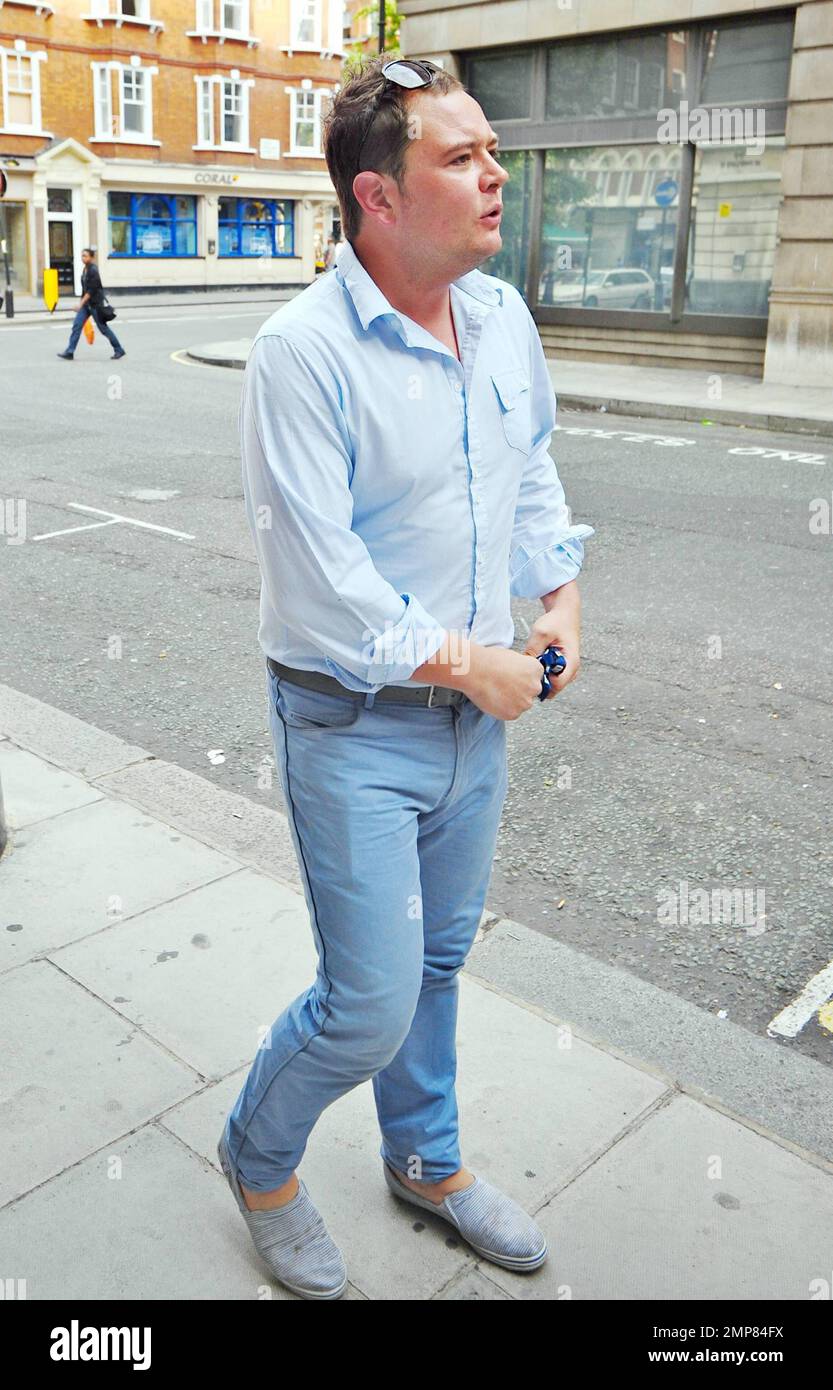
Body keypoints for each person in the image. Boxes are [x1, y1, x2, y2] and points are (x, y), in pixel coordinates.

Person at [218, 54, 595, 1300]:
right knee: (368, 1000)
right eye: (461, 156)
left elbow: (529, 468)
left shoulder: (498, 316)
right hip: (351, 719)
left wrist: (557, 594)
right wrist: (470, 661)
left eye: (491, 151)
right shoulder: (300, 353)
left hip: (473, 719)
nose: (496, 174)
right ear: (376, 198)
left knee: (436, 966)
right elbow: (323, 587)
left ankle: (422, 1158)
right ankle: (261, 1159)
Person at [56, 248, 126, 361]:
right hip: (86, 306)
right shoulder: (85, 269)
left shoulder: (93, 270)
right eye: (82, 255)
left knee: (103, 329)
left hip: (95, 305)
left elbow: (91, 291)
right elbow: (85, 290)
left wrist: (80, 304)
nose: (83, 257)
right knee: (76, 326)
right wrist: (81, 304)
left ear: (91, 257)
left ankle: (119, 349)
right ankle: (70, 351)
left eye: (85, 256)